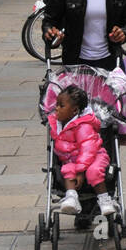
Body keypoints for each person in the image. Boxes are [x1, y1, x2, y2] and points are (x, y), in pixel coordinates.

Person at [48, 84, 117, 218]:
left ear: (74, 111)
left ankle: (104, 199)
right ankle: (71, 197)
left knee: (93, 171)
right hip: (74, 160)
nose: (56, 108)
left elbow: (88, 150)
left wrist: (80, 171)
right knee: (67, 169)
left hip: (95, 157)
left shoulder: (83, 126)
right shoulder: (58, 125)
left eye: (61, 106)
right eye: (57, 104)